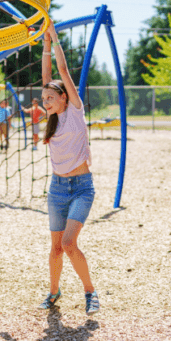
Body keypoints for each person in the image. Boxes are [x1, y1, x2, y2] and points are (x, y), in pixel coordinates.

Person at [35, 22, 100, 315]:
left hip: (81, 188)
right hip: (57, 189)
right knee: (56, 249)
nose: (46, 101)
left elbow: (60, 74)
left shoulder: (74, 111)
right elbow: (46, 76)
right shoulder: (52, 119)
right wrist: (44, 44)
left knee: (69, 242)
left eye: (51, 97)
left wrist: (55, 37)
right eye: (44, 98)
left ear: (64, 97)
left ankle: (90, 292)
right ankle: (53, 292)